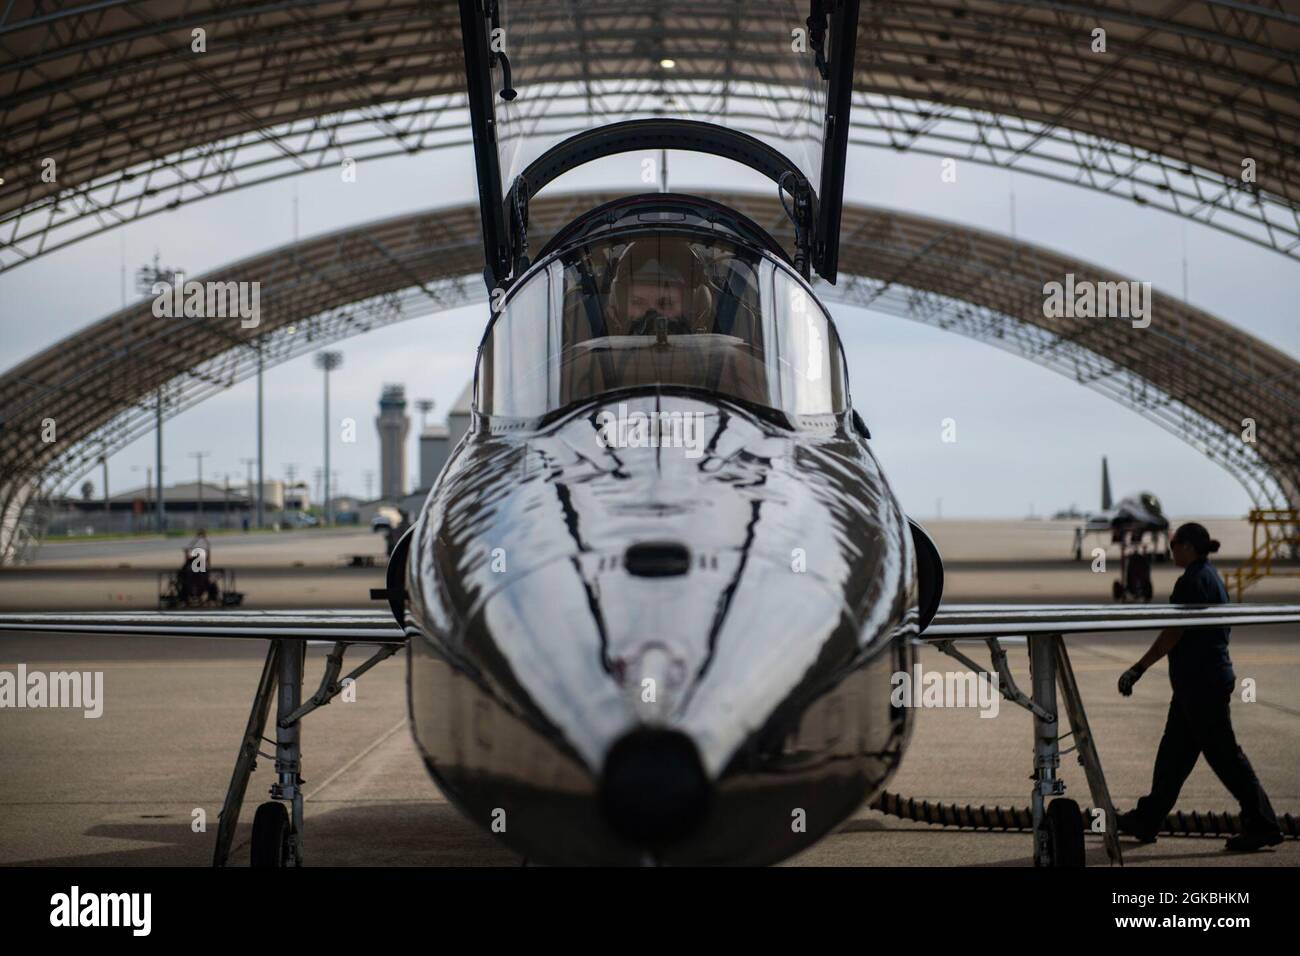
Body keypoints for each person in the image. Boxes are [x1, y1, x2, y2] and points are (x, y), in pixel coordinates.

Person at [1116, 522, 1283, 852]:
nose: (1171, 548)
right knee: (1173, 757)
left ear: (1190, 546)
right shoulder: (1208, 576)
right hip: (1196, 685)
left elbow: (1173, 632)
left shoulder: (1193, 581)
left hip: (1202, 686)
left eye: (1175, 543)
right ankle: (1147, 820)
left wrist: (1138, 668)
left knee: (1225, 758)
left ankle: (1263, 824)